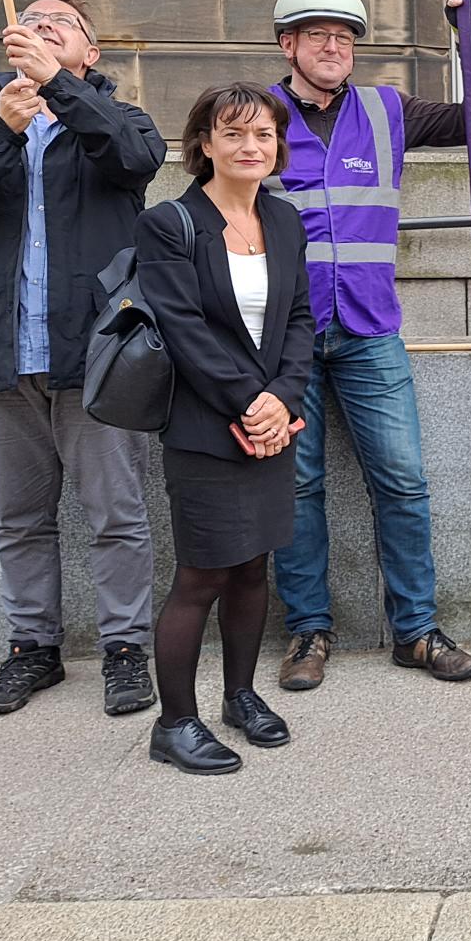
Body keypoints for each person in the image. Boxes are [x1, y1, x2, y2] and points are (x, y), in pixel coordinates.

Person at [0, 0, 165, 718]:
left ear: (90, 51)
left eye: (60, 23)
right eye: (30, 22)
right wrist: (0, 130)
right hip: (0, 351)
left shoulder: (117, 117)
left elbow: (135, 159)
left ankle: (124, 650)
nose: (41, 27)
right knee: (19, 518)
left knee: (117, 514)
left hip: (94, 357)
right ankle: (33, 650)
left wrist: (59, 88)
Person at [264, 0, 471, 690]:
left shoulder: (390, 111)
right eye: (318, 35)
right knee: (296, 491)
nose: (333, 47)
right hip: (283, 339)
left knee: (405, 483)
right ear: (287, 45)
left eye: (346, 37)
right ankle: (308, 633)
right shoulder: (254, 117)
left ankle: (416, 632)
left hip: (367, 330)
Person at [134, 84, 315, 775]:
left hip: (272, 422)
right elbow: (182, 329)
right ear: (204, 143)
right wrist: (249, 401)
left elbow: (299, 319)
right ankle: (175, 722)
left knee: (252, 568)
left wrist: (282, 396)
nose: (251, 148)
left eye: (264, 135)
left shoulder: (286, 221)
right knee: (201, 576)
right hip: (205, 426)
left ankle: (240, 696)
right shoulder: (169, 224)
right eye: (234, 134)